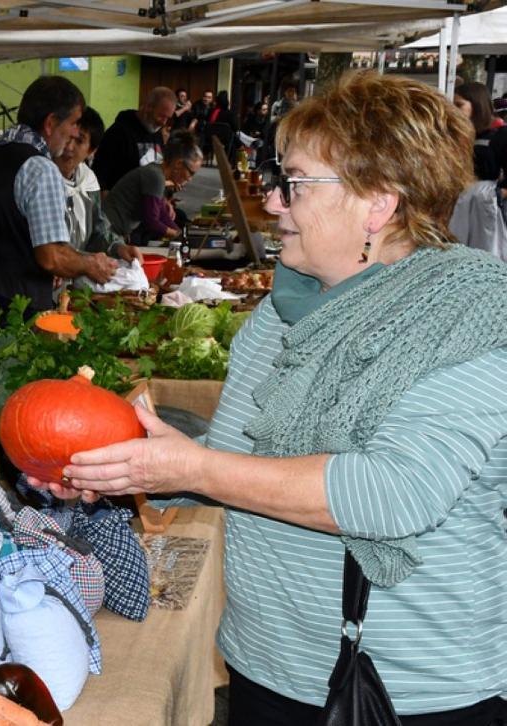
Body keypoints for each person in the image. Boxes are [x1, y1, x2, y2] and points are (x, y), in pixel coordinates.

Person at [37, 72, 507, 724]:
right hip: (267, 667)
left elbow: (396, 493)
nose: (275, 201)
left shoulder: (466, 314)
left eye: (295, 184)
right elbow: (238, 464)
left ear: (377, 203)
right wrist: (142, 470)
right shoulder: (283, 314)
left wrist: (195, 469)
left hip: (405, 692)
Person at [0, 75, 116, 317]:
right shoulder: (41, 169)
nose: (74, 133)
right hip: (18, 312)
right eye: (73, 123)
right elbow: (52, 257)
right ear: (51, 123)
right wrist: (90, 264)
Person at [54, 105, 142, 290]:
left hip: (77, 282)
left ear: (91, 150)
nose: (69, 147)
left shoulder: (87, 180)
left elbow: (98, 228)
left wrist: (119, 248)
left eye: (79, 141)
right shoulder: (43, 178)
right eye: (67, 137)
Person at [103, 130, 202, 245]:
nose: (190, 179)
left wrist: (181, 233)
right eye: (191, 173)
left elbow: (161, 213)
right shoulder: (156, 177)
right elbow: (151, 221)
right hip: (108, 231)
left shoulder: (157, 172)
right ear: (179, 164)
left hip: (114, 230)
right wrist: (177, 235)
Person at [92, 86, 176, 191]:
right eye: (161, 116)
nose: (163, 122)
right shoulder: (118, 132)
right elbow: (99, 173)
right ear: (148, 107)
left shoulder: (156, 133)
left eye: (168, 118)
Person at [453, 81, 502, 182]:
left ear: (477, 104)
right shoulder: (463, 134)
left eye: (459, 105)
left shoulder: (501, 134)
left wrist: (500, 193)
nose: (454, 110)